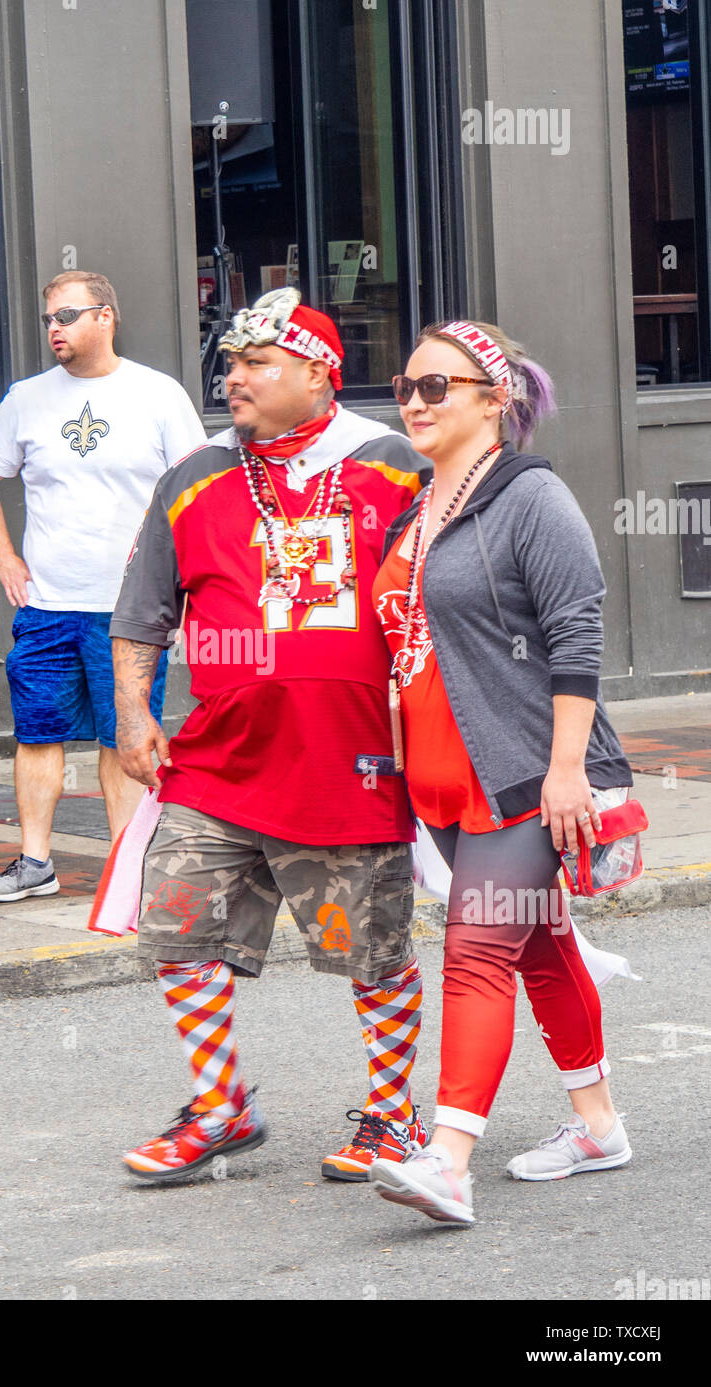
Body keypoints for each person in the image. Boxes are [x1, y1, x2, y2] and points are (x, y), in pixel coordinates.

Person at [111, 287, 430, 1183]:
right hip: (215, 763)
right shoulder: (195, 473)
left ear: (319, 374)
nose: (234, 378)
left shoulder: (398, 467)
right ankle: (221, 1109)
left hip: (349, 763)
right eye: (231, 363)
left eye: (257, 364)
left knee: (370, 952)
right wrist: (135, 719)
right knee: (177, 930)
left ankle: (392, 1117)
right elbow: (140, 617)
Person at [367, 319, 634, 1226]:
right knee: (541, 945)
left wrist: (567, 771)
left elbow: (577, 634)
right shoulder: (415, 506)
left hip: (523, 774)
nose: (412, 400)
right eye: (404, 385)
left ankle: (446, 1161)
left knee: (477, 951)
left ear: (495, 398)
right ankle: (596, 1125)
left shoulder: (529, 496)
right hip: (440, 779)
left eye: (435, 386)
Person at [0, 271, 206, 903]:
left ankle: (126, 868)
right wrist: (5, 557)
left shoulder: (158, 395)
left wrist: (183, 582)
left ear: (106, 317)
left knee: (123, 737)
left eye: (67, 316)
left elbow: (198, 491)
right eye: (49, 319)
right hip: (46, 602)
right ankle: (35, 862)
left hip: (127, 609)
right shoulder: (27, 397)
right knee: (36, 731)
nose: (55, 330)